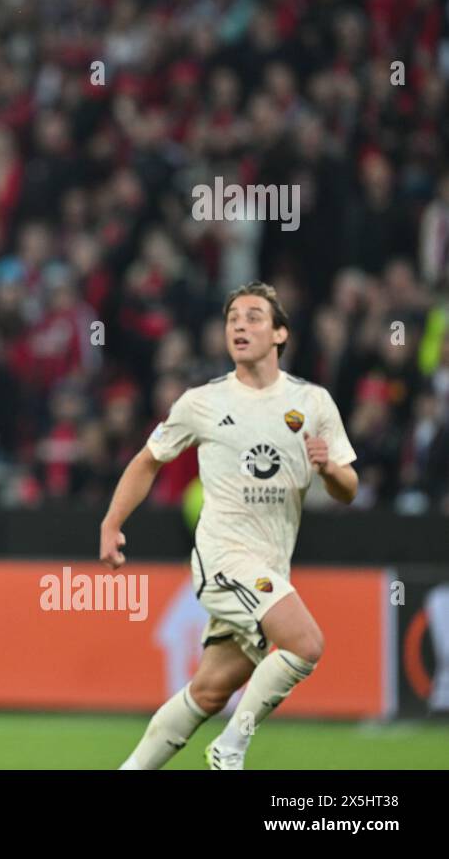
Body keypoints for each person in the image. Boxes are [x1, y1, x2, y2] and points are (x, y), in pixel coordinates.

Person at [103, 282, 359, 770]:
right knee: (306, 644)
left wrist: (328, 469)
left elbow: (349, 488)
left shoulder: (313, 403)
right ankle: (231, 746)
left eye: (254, 317)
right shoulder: (202, 402)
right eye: (232, 319)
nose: (239, 325)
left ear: (281, 333)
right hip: (222, 557)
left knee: (210, 689)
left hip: (270, 566)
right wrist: (112, 522)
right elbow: (147, 460)